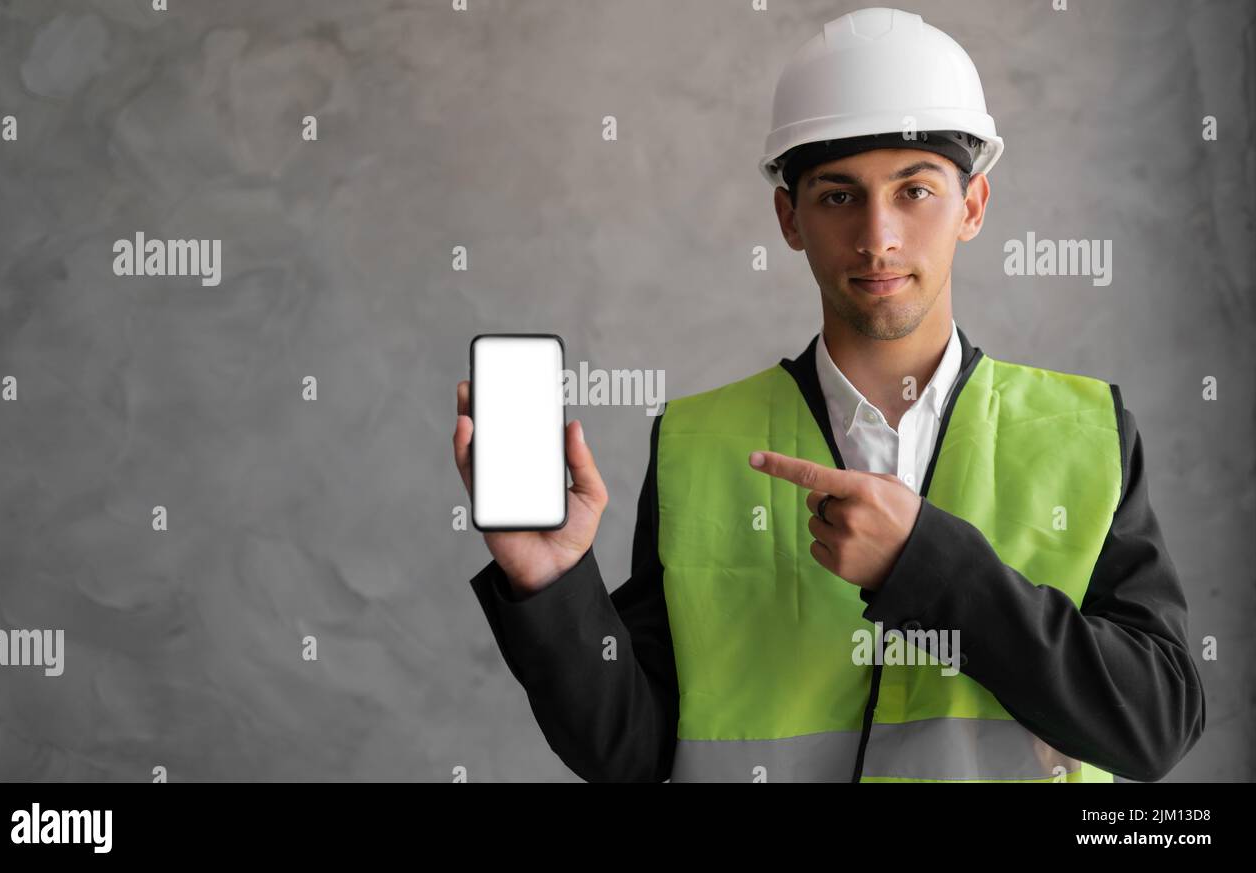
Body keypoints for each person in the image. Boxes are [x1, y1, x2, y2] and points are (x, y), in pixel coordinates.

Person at [452, 7, 1206, 782]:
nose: (878, 236)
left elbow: (1155, 725)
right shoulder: (696, 445)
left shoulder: (1084, 432)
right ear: (789, 216)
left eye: (915, 191)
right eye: (839, 196)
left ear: (972, 207)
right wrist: (551, 586)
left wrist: (928, 564)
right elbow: (635, 753)